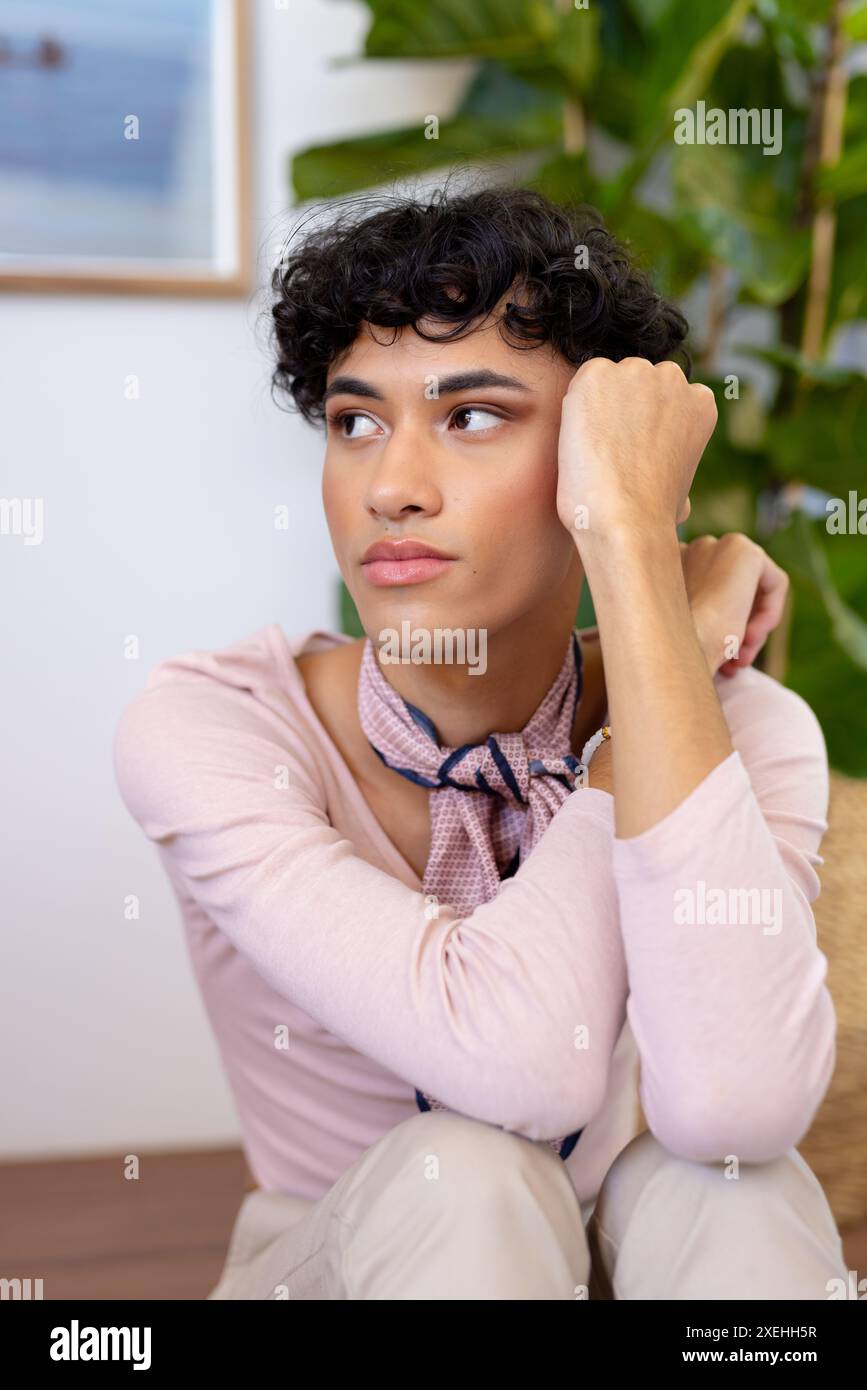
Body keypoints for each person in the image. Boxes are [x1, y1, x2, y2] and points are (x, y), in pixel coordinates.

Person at [113, 186, 847, 1299]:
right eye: (356, 422)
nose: (392, 488)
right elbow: (524, 1067)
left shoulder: (747, 728)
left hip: (633, 1257)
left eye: (471, 416)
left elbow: (738, 1101)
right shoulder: (217, 728)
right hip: (348, 1260)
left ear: (608, 470)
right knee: (470, 1173)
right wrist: (670, 664)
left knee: (738, 1186)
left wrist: (638, 565)